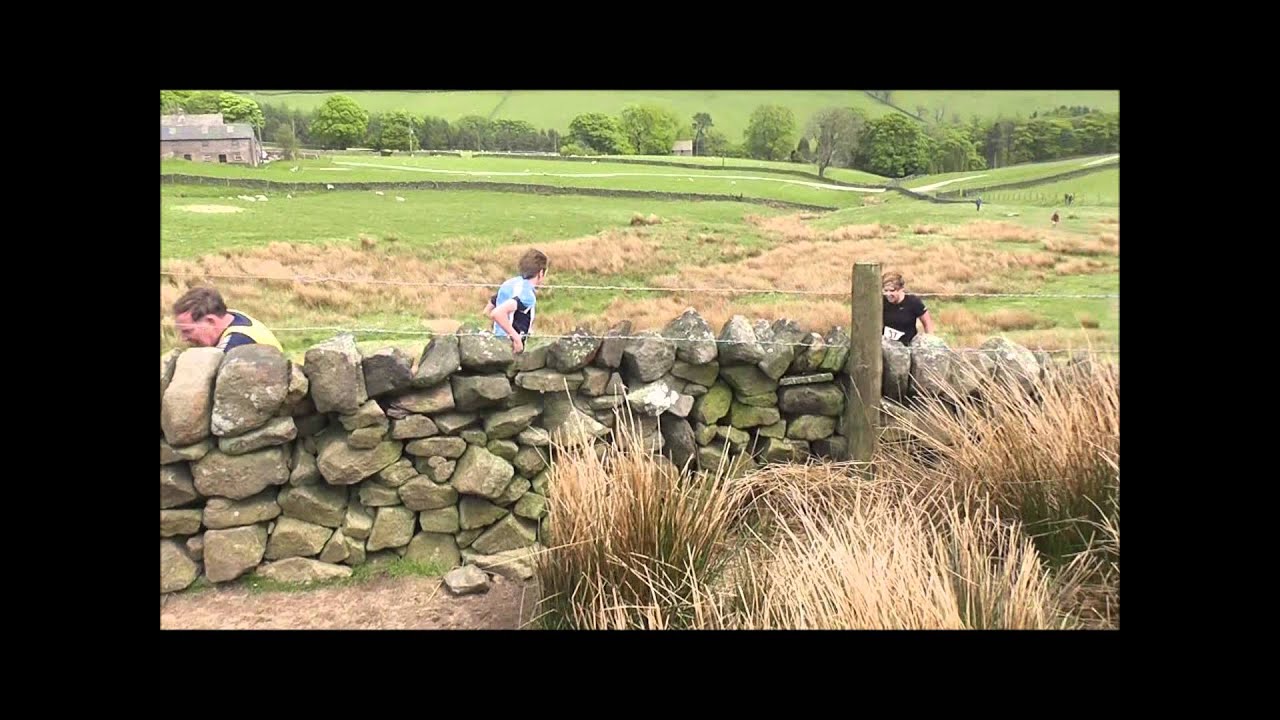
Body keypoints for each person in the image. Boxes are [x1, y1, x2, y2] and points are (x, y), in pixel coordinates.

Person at [172, 286, 283, 352]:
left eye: (187, 331)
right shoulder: (231, 315)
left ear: (211, 321)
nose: (183, 338)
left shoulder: (235, 344)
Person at [484, 249, 548, 354]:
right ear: (540, 273)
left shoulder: (509, 283)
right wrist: (516, 338)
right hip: (510, 345)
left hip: (497, 341)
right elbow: (497, 313)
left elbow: (489, 307)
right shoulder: (527, 296)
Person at [881, 271, 934, 346]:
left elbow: (927, 323)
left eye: (892, 291)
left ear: (901, 289)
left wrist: (930, 342)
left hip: (908, 345)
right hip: (886, 345)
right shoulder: (881, 301)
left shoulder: (913, 302)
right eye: (886, 291)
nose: (888, 294)